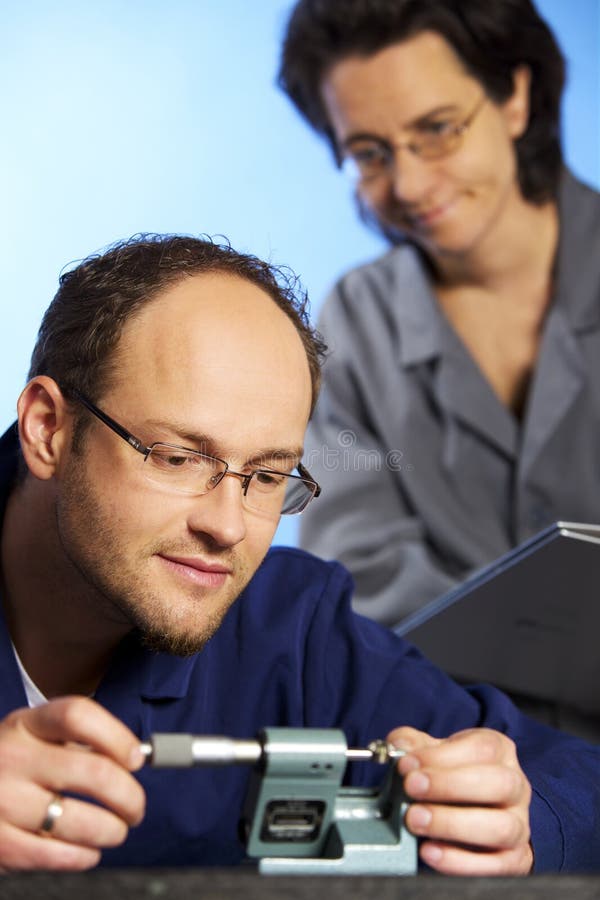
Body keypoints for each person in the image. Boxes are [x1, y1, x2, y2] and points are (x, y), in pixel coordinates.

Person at [0, 233, 599, 876]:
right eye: (178, 458)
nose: (228, 527)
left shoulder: (290, 628)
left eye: (266, 476)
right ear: (48, 429)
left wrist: (523, 821)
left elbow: (574, 778)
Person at [279, 0, 600, 638]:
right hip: (445, 702)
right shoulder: (356, 324)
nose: (411, 185)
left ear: (515, 97)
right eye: (370, 153)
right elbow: (361, 582)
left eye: (438, 129)